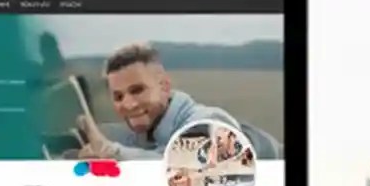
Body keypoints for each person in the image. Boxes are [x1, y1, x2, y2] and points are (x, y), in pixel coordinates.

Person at [75, 43, 244, 161]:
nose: (128, 104)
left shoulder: (209, 121)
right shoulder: (142, 136)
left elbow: (187, 169)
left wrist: (113, 153)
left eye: (137, 90)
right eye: (118, 96)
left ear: (164, 87)